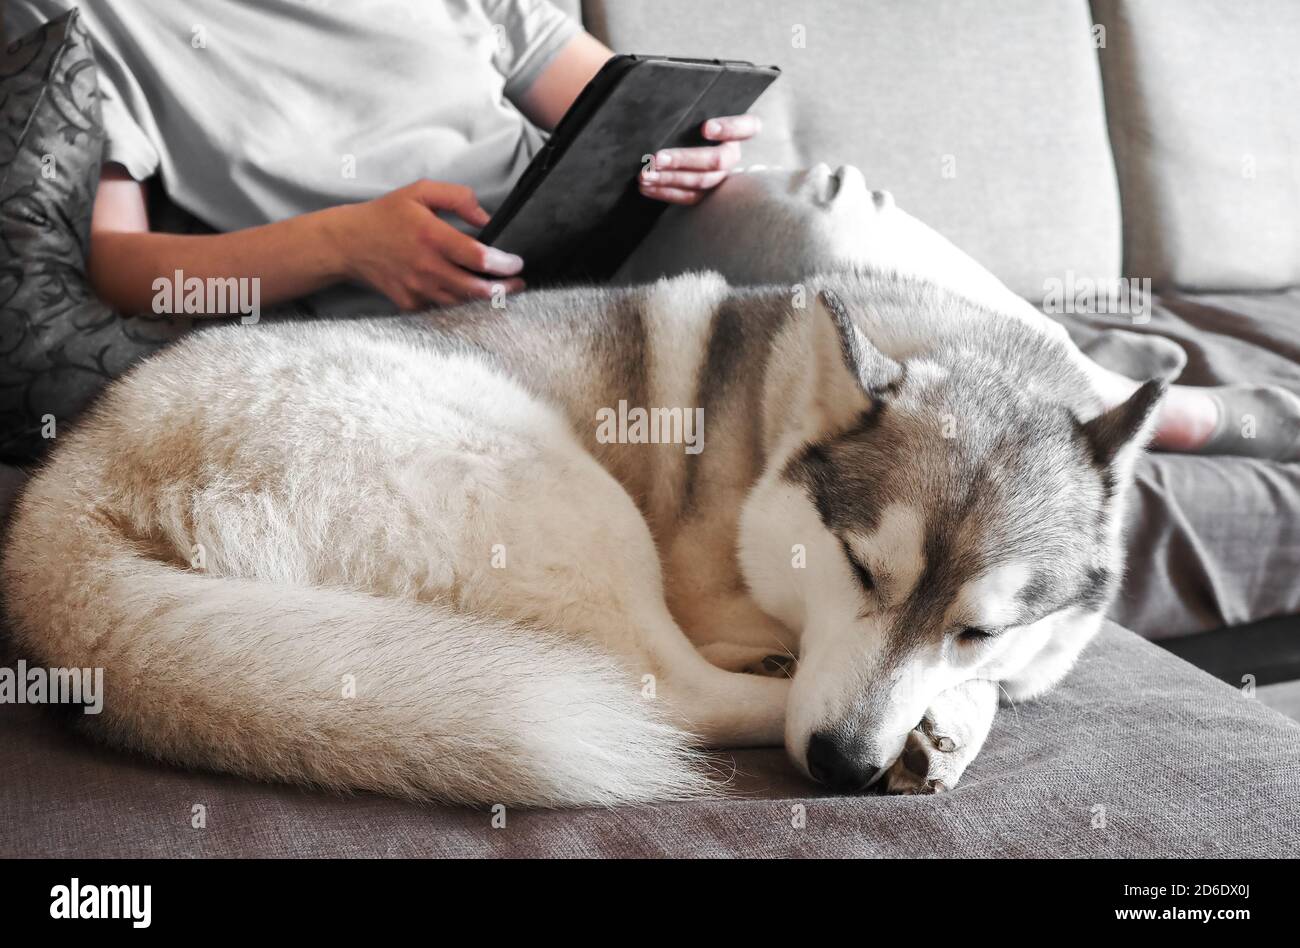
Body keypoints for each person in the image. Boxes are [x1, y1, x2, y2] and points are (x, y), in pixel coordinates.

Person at [5, 0, 1298, 460]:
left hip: (583, 222)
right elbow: (122, 267)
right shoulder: (91, 15)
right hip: (413, 297)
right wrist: (348, 241)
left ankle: (1123, 404)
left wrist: (676, 144)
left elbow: (598, 103)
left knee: (823, 217)